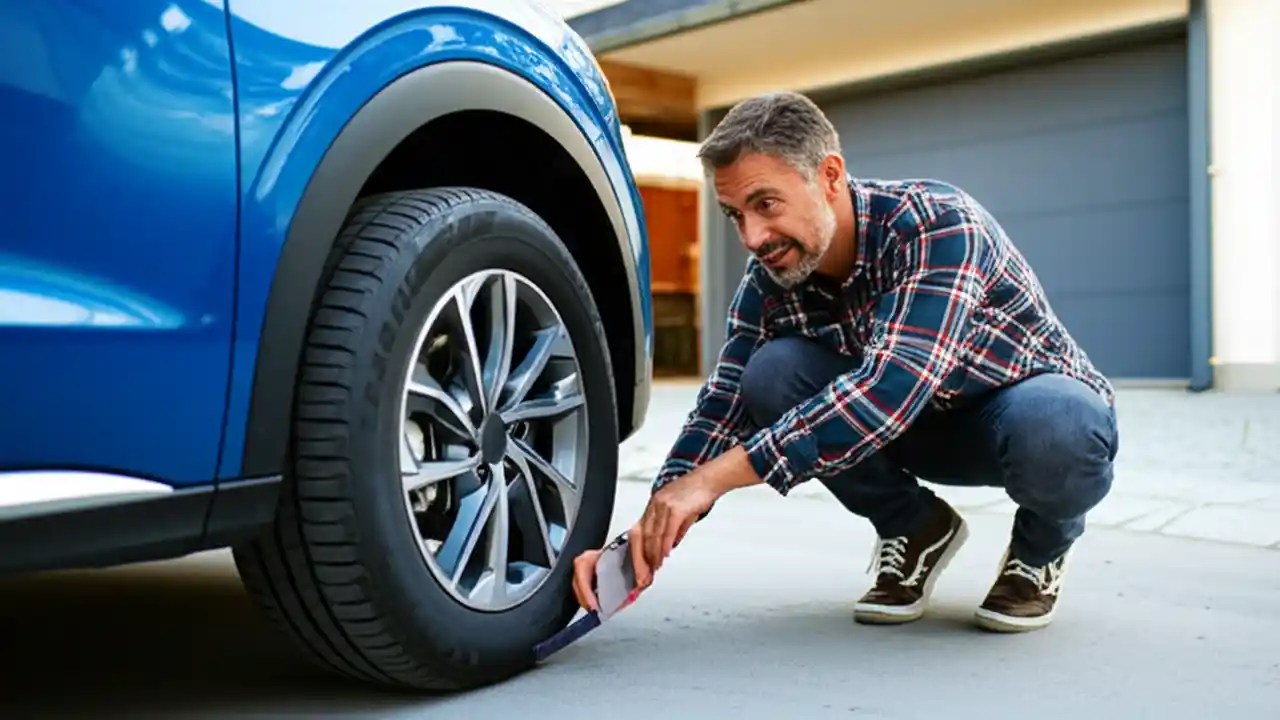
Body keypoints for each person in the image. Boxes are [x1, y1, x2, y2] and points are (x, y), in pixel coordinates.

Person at [573, 91, 1119, 633]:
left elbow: (890, 389)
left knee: (1061, 427)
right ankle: (914, 527)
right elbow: (725, 402)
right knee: (770, 373)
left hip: (1015, 419)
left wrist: (717, 479)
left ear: (830, 176)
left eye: (766, 204)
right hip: (905, 431)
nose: (752, 238)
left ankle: (1039, 551)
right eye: (735, 215)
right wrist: (648, 528)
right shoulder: (771, 278)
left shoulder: (938, 226)